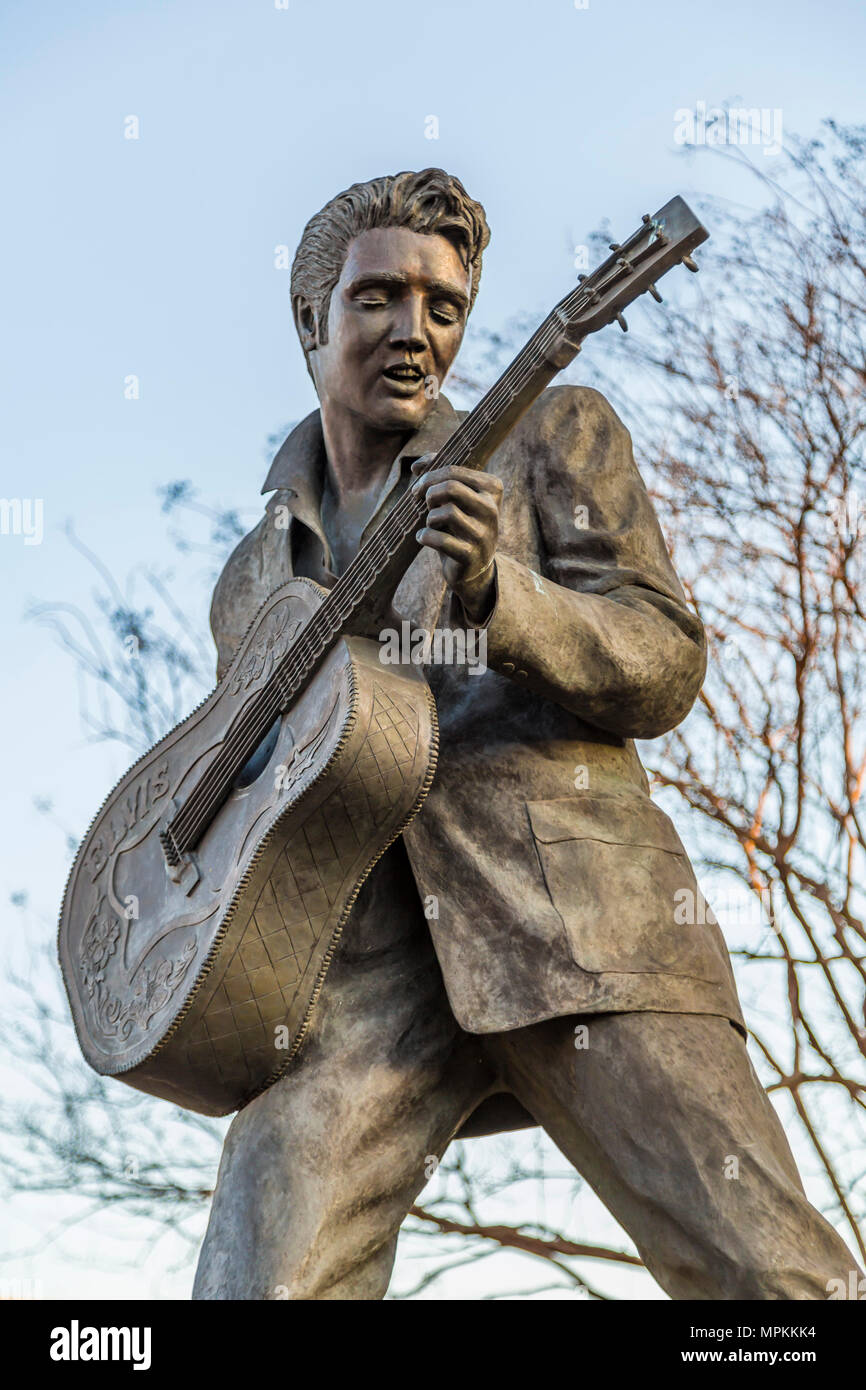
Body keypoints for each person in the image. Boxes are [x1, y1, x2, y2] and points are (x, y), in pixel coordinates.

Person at [194, 169, 860, 1300]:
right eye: (378, 299)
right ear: (308, 319)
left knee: (770, 1282)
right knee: (255, 1285)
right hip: (358, 975)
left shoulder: (551, 431)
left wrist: (503, 596)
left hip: (579, 926)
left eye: (443, 306)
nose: (416, 331)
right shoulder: (252, 576)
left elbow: (663, 660)